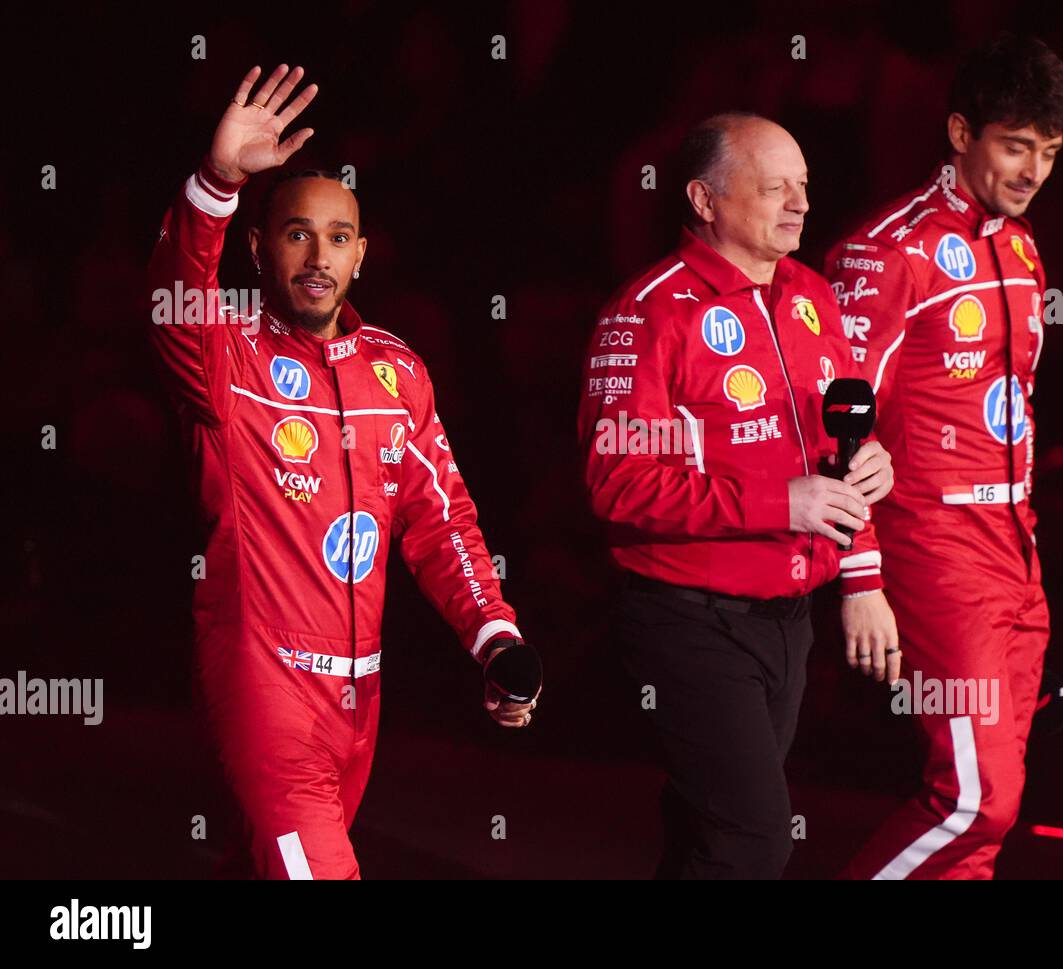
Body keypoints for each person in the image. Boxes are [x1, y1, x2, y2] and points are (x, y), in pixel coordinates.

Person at [148, 64, 540, 879]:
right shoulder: (225, 353)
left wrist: (494, 636)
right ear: (259, 248)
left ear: (360, 254)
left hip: (359, 702)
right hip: (260, 683)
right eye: (296, 233)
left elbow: (442, 523)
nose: (317, 255)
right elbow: (172, 294)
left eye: (336, 237)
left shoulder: (398, 371)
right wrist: (216, 184)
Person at [579, 113, 899, 879]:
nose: (799, 205)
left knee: (706, 838)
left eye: (805, 188)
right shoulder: (648, 312)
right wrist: (779, 502)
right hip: (687, 618)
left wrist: (863, 577)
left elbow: (845, 449)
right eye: (774, 188)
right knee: (754, 840)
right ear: (705, 198)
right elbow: (614, 482)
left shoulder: (813, 295)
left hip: (791, 620)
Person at [824, 34, 1063, 879]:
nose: (1032, 170)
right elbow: (833, 419)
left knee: (987, 821)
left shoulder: (1019, 244)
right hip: (934, 548)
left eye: (1047, 152)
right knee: (977, 798)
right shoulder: (889, 251)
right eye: (1015, 146)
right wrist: (861, 578)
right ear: (959, 130)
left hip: (1017, 548)